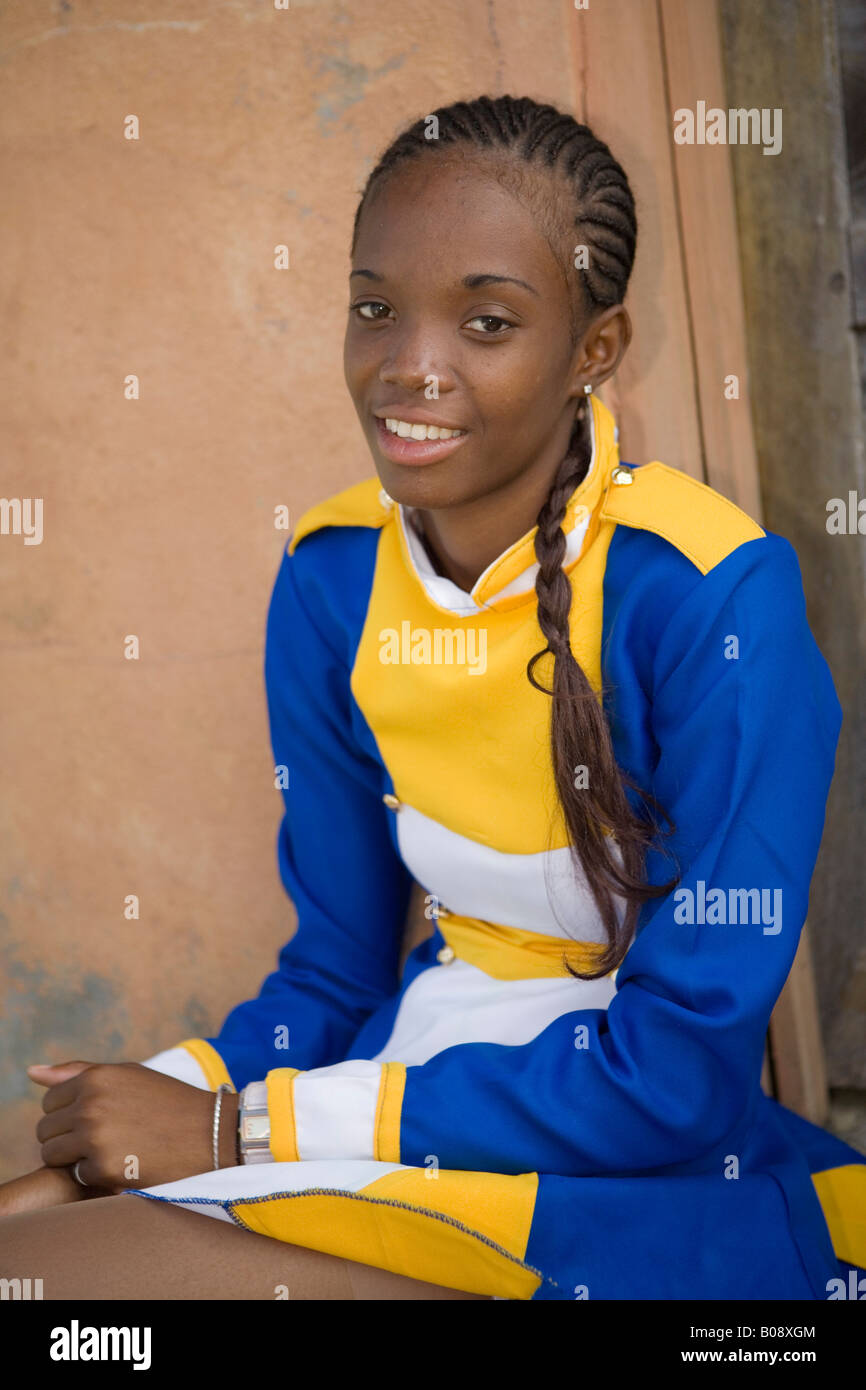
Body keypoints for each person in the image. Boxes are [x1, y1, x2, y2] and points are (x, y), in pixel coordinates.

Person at [2, 94, 863, 1301]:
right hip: (399, 1083)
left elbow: (671, 1074)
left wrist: (229, 1135)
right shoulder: (329, 580)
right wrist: (115, 1136)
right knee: (25, 1257)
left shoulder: (712, 599)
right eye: (374, 308)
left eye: (487, 320)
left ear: (595, 349)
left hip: (619, 1167)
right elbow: (335, 976)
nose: (411, 365)